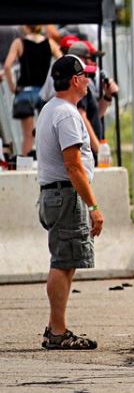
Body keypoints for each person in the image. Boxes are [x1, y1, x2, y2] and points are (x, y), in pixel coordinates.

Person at [35, 55, 103, 350]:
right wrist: (94, 207)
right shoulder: (66, 114)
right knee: (62, 263)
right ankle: (58, 332)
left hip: (54, 194)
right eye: (85, 76)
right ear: (75, 80)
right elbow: (73, 165)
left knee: (66, 260)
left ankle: (55, 326)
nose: (88, 81)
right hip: (65, 195)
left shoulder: (52, 108)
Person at [4, 25, 61, 156]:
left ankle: (25, 163)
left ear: (26, 27)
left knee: (28, 134)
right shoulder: (50, 43)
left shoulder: (19, 43)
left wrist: (13, 87)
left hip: (25, 91)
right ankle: (47, 160)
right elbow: (62, 61)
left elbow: (7, 66)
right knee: (46, 132)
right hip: (44, 93)